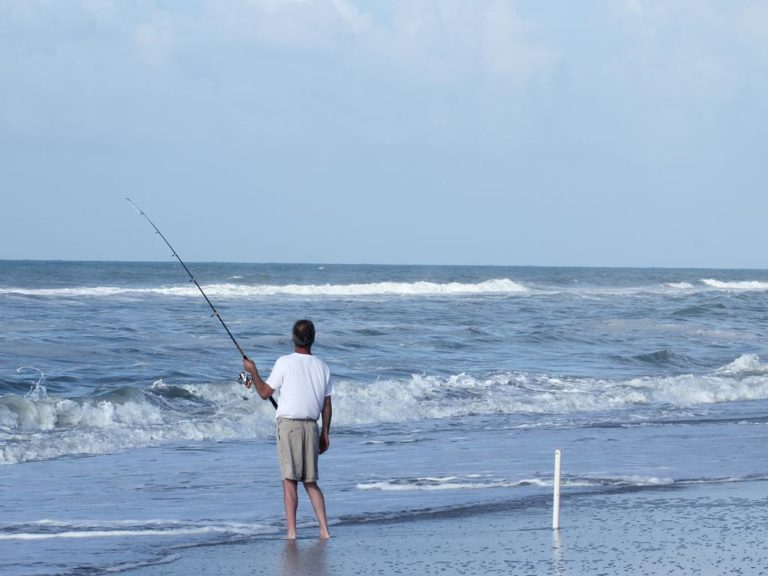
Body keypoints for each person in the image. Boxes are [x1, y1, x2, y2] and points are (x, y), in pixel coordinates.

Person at [242, 319, 333, 540]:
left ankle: (292, 533)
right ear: (313, 339)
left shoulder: (284, 362)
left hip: (289, 426)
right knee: (311, 481)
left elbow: (264, 393)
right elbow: (327, 404)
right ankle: (324, 530)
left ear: (293, 338)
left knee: (289, 480)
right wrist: (325, 433)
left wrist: (253, 371)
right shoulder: (322, 366)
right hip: (312, 427)